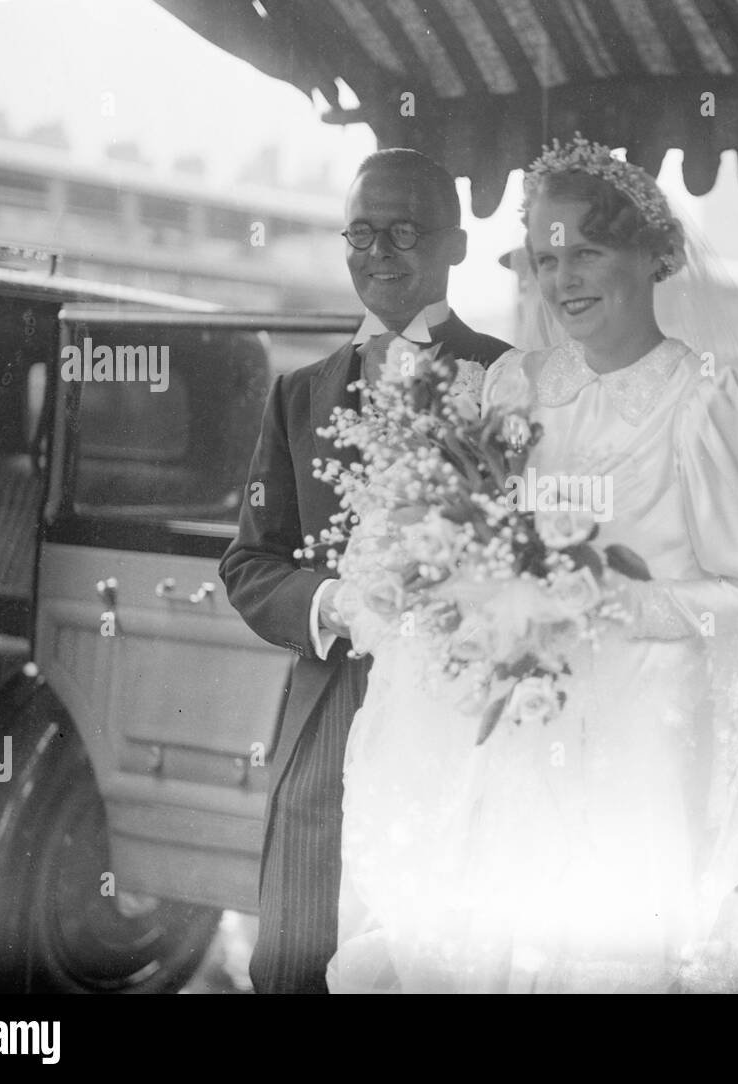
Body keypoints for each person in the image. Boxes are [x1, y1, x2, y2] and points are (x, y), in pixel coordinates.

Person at [324, 138, 738, 994]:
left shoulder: (708, 400)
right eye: (547, 258)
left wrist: (610, 604)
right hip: (510, 737)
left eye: (588, 251)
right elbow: (462, 531)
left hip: (638, 746)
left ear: (655, 256)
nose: (564, 279)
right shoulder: (515, 383)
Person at [219, 148, 511, 993]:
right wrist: (335, 601)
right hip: (326, 712)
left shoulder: (507, 378)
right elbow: (249, 560)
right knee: (297, 959)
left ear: (454, 245)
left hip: (454, 724)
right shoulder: (298, 393)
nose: (379, 250)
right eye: (361, 231)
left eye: (404, 230)